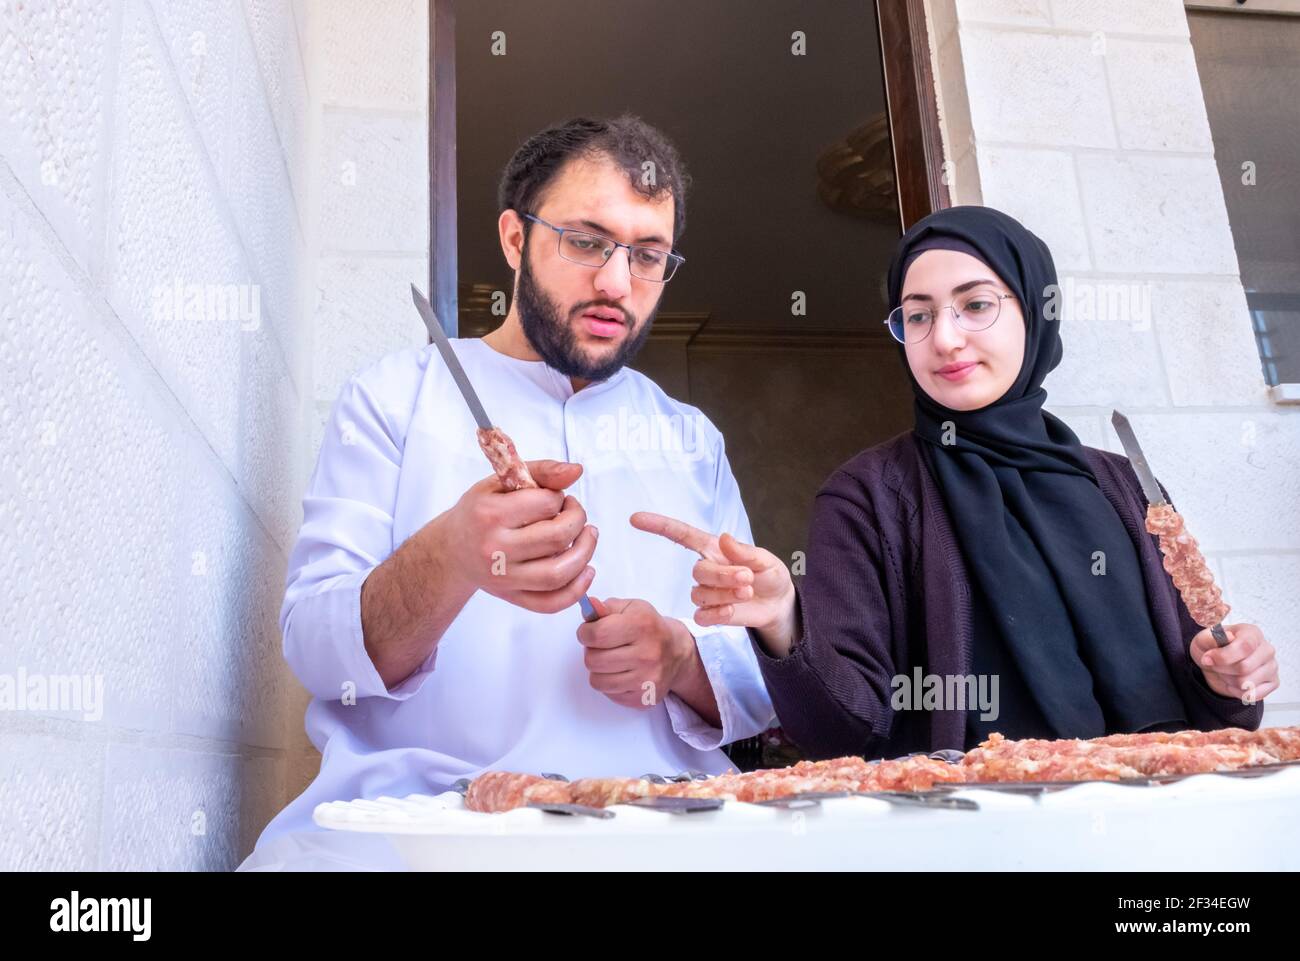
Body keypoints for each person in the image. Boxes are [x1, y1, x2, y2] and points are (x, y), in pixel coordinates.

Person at [241, 116, 774, 869]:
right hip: (420, 825)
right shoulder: (393, 396)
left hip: (661, 824)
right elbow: (317, 654)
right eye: (588, 241)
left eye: (648, 255)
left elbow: (760, 685)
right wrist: (451, 557)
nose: (617, 283)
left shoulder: (694, 440)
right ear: (516, 239)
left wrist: (682, 657)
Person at [636, 205, 1277, 761]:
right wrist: (782, 620)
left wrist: (1230, 678)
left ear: (1034, 311)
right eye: (917, 317)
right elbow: (844, 732)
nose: (944, 338)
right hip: (977, 839)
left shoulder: (1124, 481)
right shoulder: (868, 496)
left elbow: (1209, 699)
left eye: (975, 305)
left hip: (1165, 825)